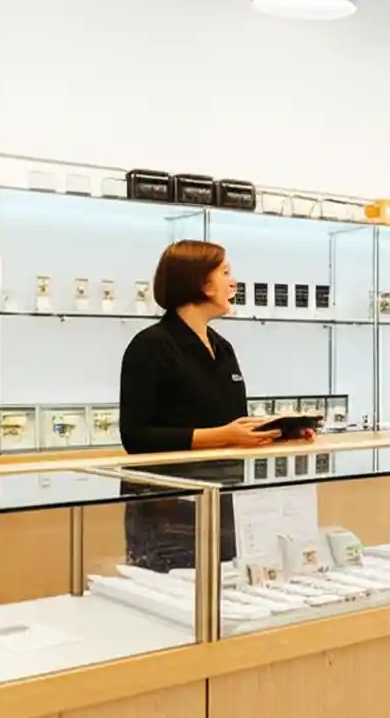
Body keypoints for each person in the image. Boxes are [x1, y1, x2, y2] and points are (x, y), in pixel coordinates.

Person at [118, 240, 295, 571]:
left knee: (223, 589)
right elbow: (136, 436)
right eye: (225, 273)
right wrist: (223, 436)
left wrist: (281, 433)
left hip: (224, 497)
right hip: (167, 505)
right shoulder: (150, 346)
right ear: (201, 283)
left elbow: (233, 422)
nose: (234, 282)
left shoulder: (222, 347)